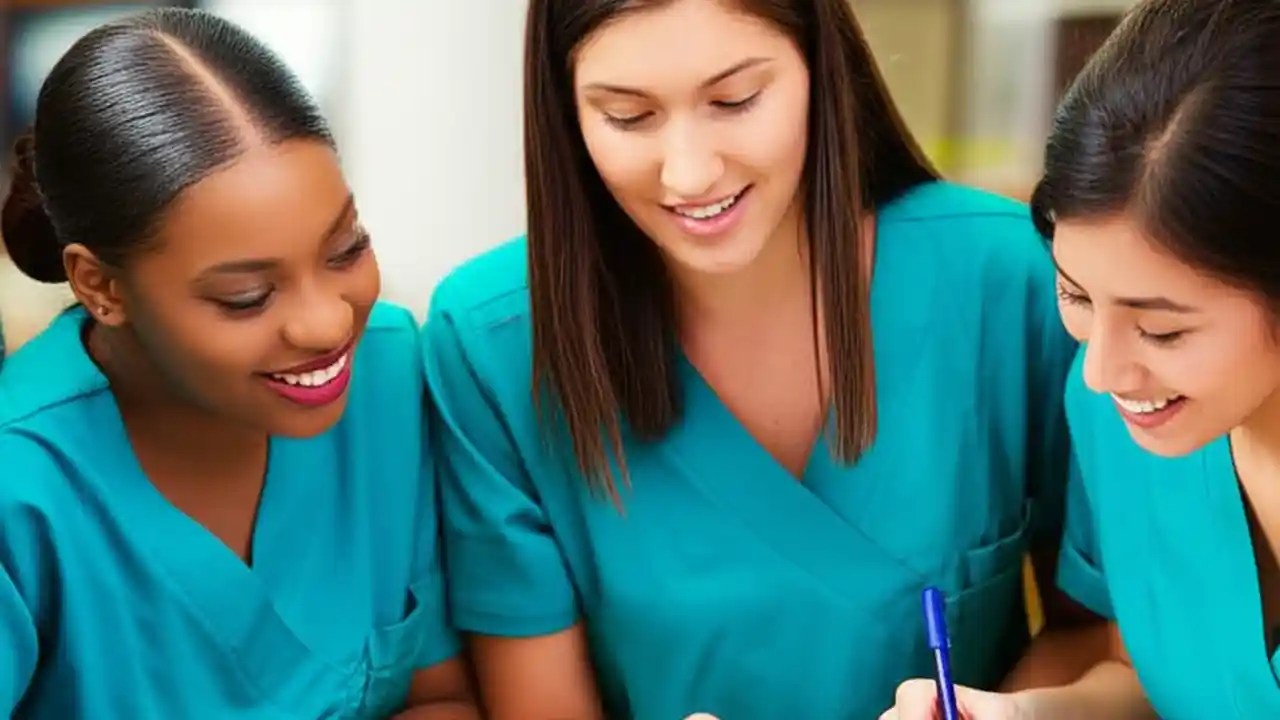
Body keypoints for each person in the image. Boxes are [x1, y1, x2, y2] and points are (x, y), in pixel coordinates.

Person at [422, 0, 1084, 718]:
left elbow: (1100, 641)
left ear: (819, 68)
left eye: (736, 100)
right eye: (627, 117)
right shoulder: (491, 346)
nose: (689, 173)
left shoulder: (1009, 279)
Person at [0, 9, 475, 719]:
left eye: (346, 248)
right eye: (245, 296)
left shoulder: (387, 372)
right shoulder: (23, 488)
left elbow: (437, 696)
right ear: (101, 287)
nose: (328, 322)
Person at [885, 0, 1280, 717]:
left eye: (1163, 332)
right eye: (1076, 296)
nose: (1101, 372)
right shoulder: (1120, 419)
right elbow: (1141, 669)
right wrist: (1021, 714)